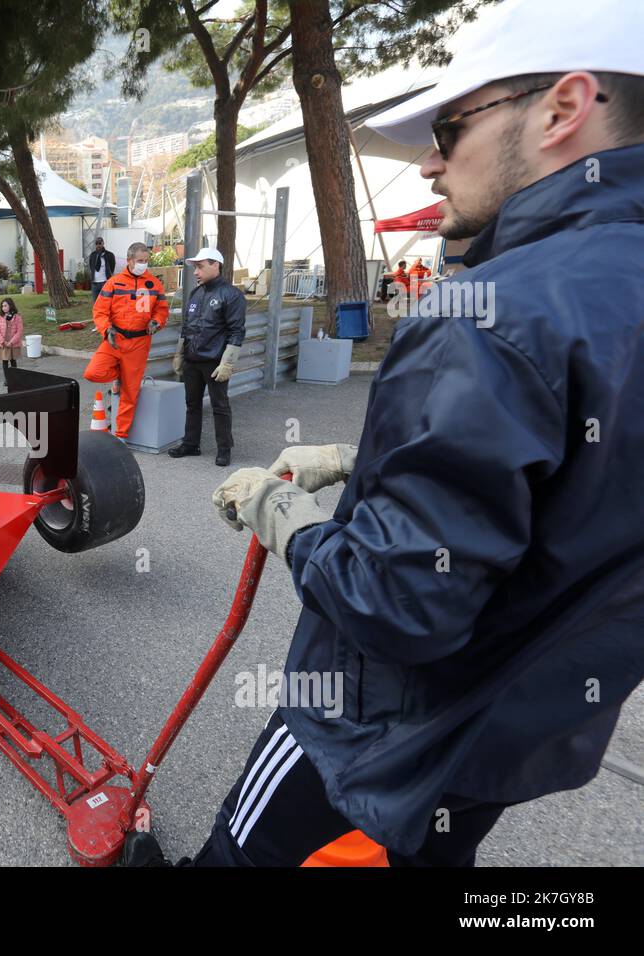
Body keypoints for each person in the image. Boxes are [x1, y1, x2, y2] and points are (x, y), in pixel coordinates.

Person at [125, 0, 644, 868]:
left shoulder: (491, 309)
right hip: (507, 734)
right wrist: (361, 461)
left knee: (243, 853)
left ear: (562, 108)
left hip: (374, 727)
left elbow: (399, 603)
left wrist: (280, 511)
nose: (434, 165)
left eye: (451, 127)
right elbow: (577, 483)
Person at [168, 247, 246, 466]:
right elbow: (187, 326)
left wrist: (227, 363)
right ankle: (191, 444)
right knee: (192, 404)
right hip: (192, 360)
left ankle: (224, 449)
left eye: (200, 267)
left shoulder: (231, 295)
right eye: (195, 267)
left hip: (215, 362)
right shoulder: (196, 293)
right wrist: (179, 354)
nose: (195, 272)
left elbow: (237, 331)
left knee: (220, 406)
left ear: (216, 265)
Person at [84, 242, 168, 442]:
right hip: (115, 339)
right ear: (129, 260)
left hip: (139, 343)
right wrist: (107, 330)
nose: (143, 264)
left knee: (130, 393)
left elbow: (162, 310)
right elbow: (100, 311)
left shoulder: (154, 284)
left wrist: (157, 321)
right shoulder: (114, 282)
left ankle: (120, 436)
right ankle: (120, 374)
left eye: (146, 260)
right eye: (140, 261)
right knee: (92, 372)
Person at [0, 297, 24, 372]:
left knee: (13, 361)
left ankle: (14, 378)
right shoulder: (0, 317)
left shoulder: (17, 317)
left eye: (5, 306)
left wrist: (11, 342)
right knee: (5, 361)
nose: (3, 308)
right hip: (4, 343)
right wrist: (3, 341)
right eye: (2, 306)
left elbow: (19, 331)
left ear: (10, 305)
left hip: (13, 344)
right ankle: (7, 379)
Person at [87, 235, 115, 302]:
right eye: (96, 243)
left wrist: (109, 276)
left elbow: (112, 267)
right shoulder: (93, 255)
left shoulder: (109, 255)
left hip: (105, 282)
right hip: (95, 283)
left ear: (103, 243)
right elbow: (91, 267)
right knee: (96, 302)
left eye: (100, 243)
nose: (98, 245)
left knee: (105, 301)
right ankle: (97, 313)